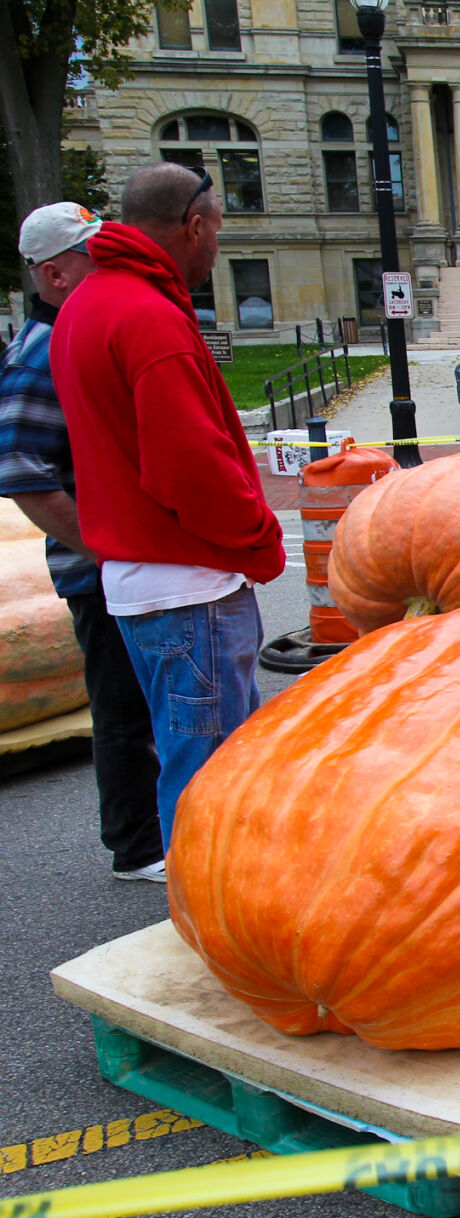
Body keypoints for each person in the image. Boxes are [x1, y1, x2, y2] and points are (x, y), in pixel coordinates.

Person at [49, 162, 285, 853]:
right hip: (190, 585)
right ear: (195, 225)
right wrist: (260, 539)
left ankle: (201, 890)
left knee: (188, 760)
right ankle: (205, 901)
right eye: (218, 231)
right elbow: (190, 467)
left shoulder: (84, 308)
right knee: (212, 777)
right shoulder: (150, 319)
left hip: (142, 580)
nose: (216, 247)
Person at [0, 202, 165, 882]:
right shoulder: (39, 353)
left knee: (152, 705)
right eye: (90, 256)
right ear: (55, 273)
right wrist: (103, 548)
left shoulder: (82, 334)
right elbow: (21, 472)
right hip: (99, 572)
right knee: (124, 709)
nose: (105, 265)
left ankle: (160, 829)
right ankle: (137, 847)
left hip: (130, 563)